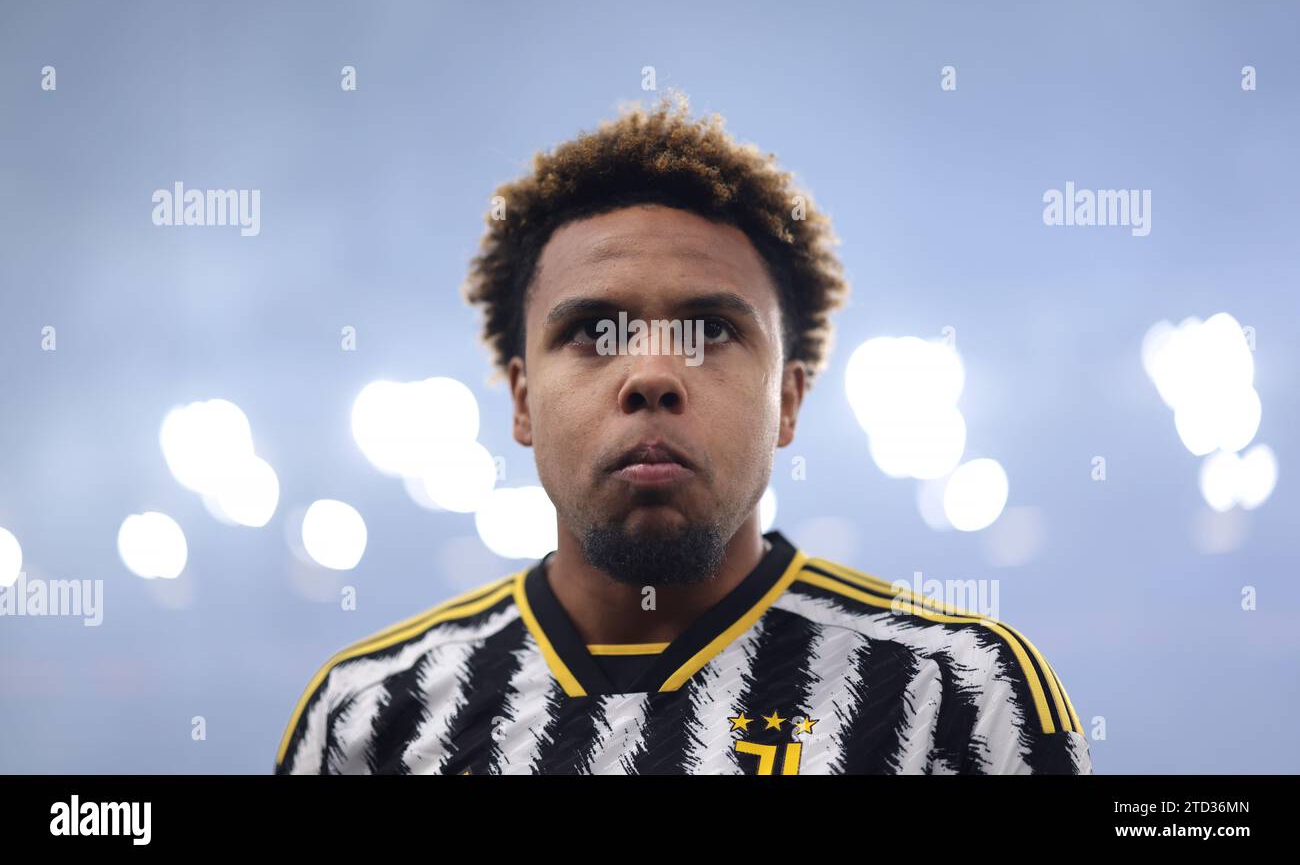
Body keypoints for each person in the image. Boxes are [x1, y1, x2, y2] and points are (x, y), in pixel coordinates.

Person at [275, 92, 1091, 774]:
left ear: (787, 401)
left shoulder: (957, 693)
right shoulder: (366, 717)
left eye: (711, 330)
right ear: (522, 401)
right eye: (593, 331)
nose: (654, 374)